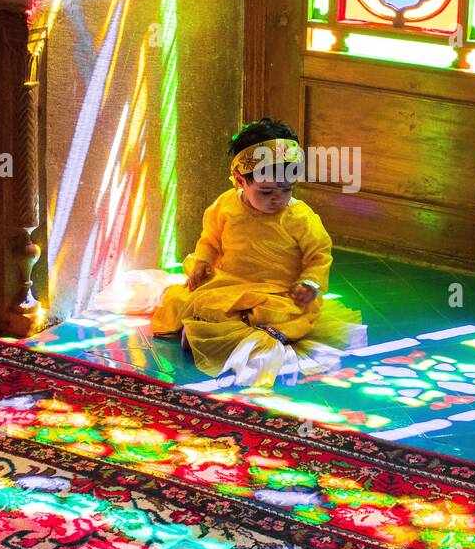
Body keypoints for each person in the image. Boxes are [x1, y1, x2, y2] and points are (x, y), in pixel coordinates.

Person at [151, 118, 366, 386]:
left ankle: (218, 334)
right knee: (196, 299)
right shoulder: (226, 206)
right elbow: (210, 238)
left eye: (287, 189)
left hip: (278, 291)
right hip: (231, 281)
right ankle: (207, 330)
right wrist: (204, 261)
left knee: (279, 315)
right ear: (241, 181)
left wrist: (310, 282)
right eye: (266, 191)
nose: (279, 199)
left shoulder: (299, 217)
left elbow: (319, 255)